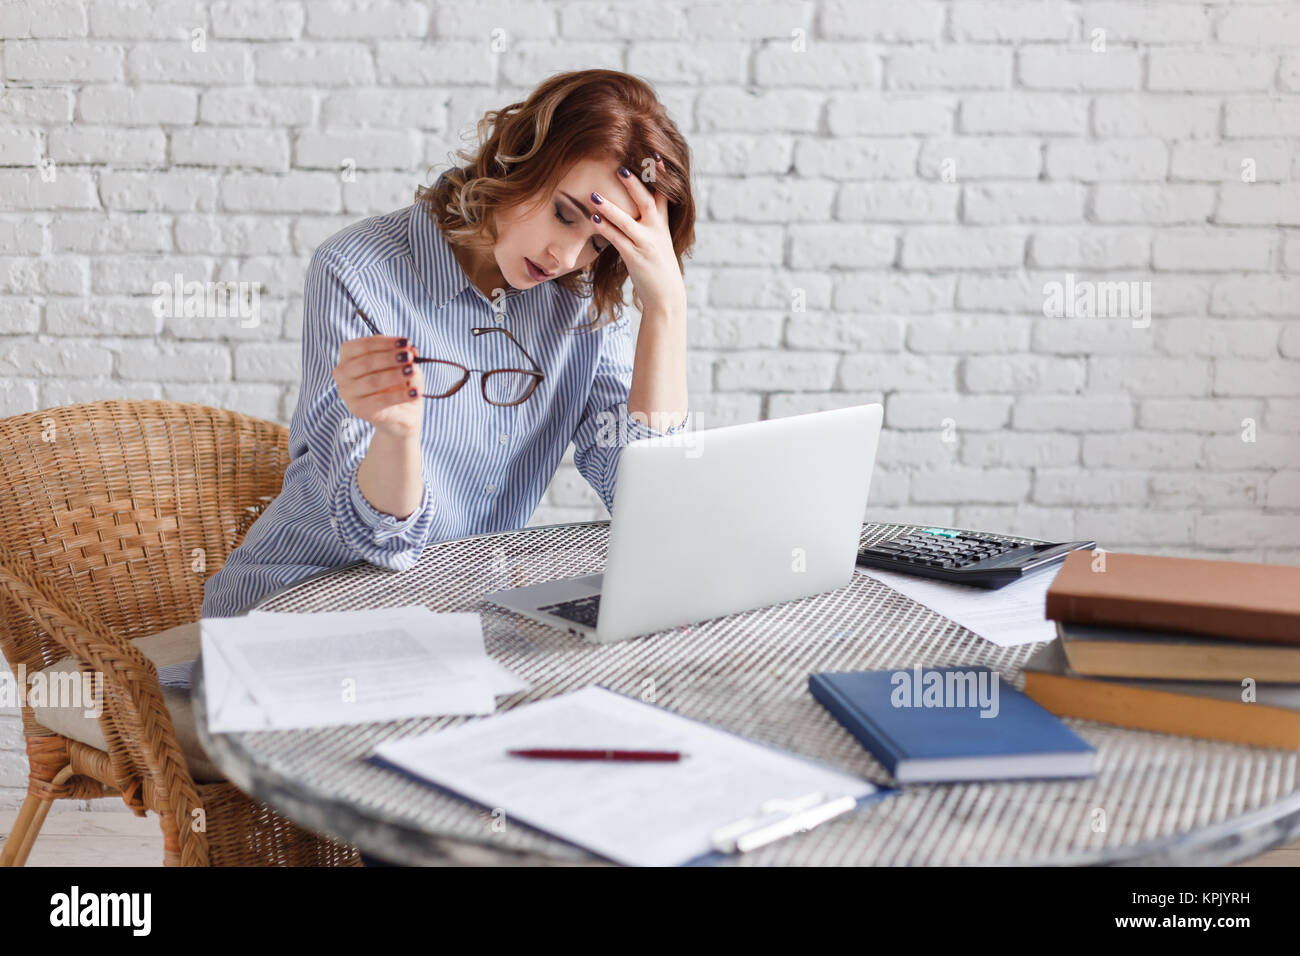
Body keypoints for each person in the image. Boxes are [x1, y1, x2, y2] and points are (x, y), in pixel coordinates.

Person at [200, 69, 696, 622]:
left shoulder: (578, 306)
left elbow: (647, 506)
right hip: (301, 606)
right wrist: (398, 434)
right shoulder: (360, 270)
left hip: (454, 619)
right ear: (521, 157)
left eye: (601, 243)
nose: (566, 256)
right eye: (564, 213)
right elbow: (379, 537)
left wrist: (665, 310)